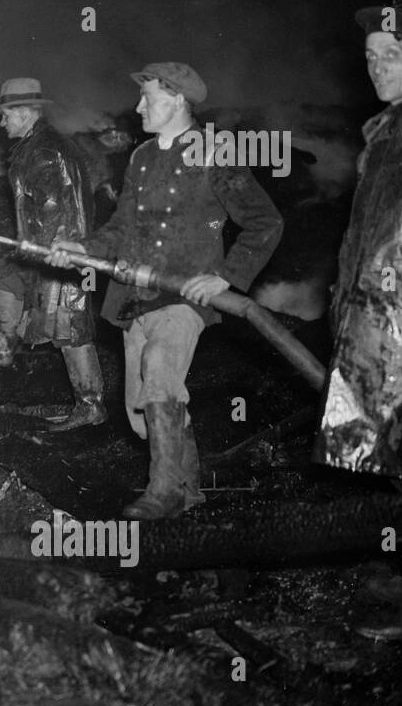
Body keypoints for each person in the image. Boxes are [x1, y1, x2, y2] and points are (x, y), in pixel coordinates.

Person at [47, 62, 283, 519]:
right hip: (133, 296)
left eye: (148, 99)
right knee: (143, 415)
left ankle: (162, 494)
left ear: (177, 100)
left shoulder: (217, 153)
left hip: (184, 297)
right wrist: (82, 247)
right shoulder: (141, 158)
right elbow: (121, 227)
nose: (138, 108)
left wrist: (226, 277)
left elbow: (264, 221)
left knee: (159, 373)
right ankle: (188, 489)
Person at [315, 5, 402, 640]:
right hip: (379, 319)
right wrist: (344, 293)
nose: (376, 66)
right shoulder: (387, 129)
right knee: (400, 452)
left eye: (390, 54)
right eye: (369, 56)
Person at [0, 78, 105, 431]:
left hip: (61, 252)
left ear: (24, 112)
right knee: (5, 279)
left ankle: (90, 406)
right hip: (39, 249)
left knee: (68, 324)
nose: (2, 124)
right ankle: (2, 353)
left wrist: (47, 247)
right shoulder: (37, 146)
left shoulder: (45, 152)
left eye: (6, 116)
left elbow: (52, 207)